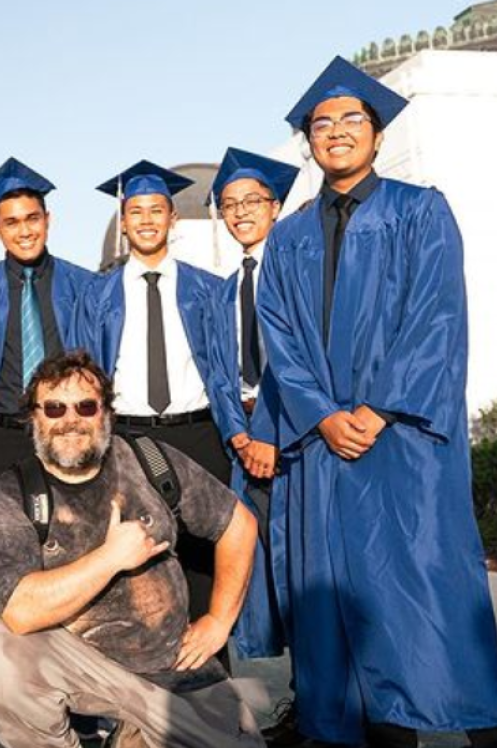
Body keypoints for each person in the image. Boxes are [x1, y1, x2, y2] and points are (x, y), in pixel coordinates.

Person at [257, 56, 497, 748]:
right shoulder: (286, 238)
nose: (335, 131)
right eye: (321, 123)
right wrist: (320, 414)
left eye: (350, 119)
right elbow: (278, 338)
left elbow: (438, 317)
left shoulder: (418, 210)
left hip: (402, 441)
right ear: (307, 142)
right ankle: (370, 731)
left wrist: (374, 409)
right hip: (324, 448)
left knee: (428, 590)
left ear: (375, 135)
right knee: (338, 605)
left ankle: (481, 729)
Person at [0, 350, 262, 748]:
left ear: (106, 413)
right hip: (76, 662)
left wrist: (218, 621)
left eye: (85, 406)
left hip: (168, 669)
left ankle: (134, 734)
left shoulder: (150, 461)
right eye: (54, 408)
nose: (70, 420)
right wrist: (111, 558)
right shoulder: (13, 493)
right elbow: (20, 611)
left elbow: (238, 524)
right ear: (34, 417)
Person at [76, 161, 229, 628]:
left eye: (156, 210)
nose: (146, 220)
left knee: (204, 562)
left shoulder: (208, 290)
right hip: (132, 440)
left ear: (172, 218)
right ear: (124, 221)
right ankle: (149, 696)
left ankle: (210, 686)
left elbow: (223, 367)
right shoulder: (97, 296)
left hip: (199, 432)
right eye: (136, 211)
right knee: (141, 569)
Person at [206, 148, 300, 744]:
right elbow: (219, 371)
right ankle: (302, 699)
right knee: (263, 575)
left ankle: (323, 701)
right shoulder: (220, 292)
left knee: (306, 574)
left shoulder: (295, 273)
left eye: (252, 202)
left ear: (276, 205)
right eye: (230, 204)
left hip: (294, 439)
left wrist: (265, 430)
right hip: (245, 443)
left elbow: (295, 365)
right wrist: (239, 433)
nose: (241, 213)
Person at [0, 157, 96, 491]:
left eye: (32, 218)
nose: (24, 231)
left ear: (47, 220)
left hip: (69, 432)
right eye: (12, 222)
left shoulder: (87, 286)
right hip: (0, 438)